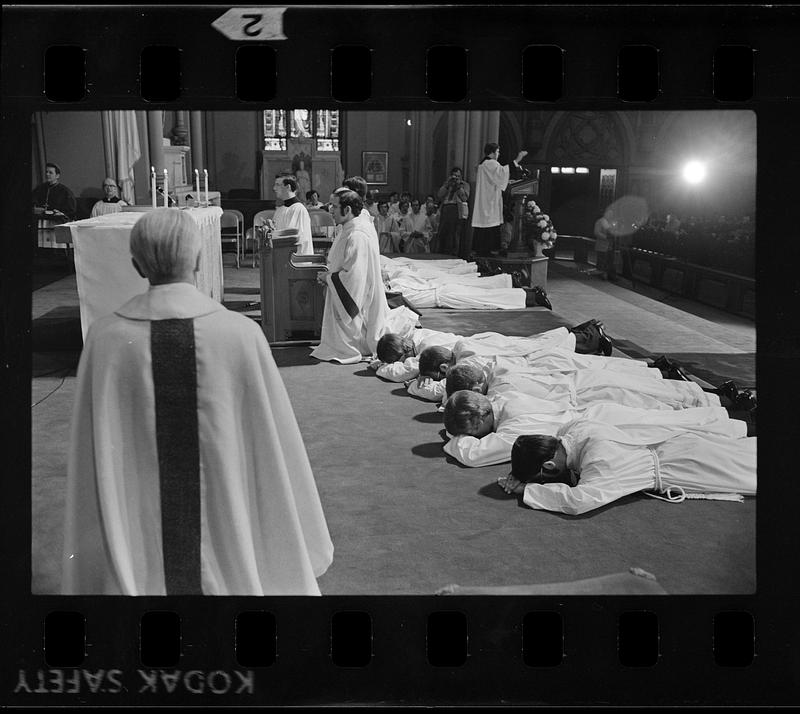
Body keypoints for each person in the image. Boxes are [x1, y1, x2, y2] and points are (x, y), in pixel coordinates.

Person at [61, 208, 334, 595]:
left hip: (136, 531)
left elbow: (96, 452)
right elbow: (270, 446)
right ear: (201, 260)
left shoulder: (105, 340)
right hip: (230, 518)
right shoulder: (241, 334)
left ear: (137, 265)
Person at [496, 411, 756, 515]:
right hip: (678, 442)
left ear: (549, 467)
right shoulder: (573, 427)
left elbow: (578, 501)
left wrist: (528, 489)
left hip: (684, 465)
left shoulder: (600, 463)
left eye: (543, 477)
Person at [443, 390, 747, 468]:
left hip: (594, 430)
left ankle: (736, 430)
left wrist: (454, 438)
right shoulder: (508, 400)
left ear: (479, 423)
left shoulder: (509, 434)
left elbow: (471, 456)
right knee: (667, 421)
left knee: (676, 433)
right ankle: (734, 421)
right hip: (597, 412)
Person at [311, 189, 389, 364]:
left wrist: (328, 278)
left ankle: (354, 345)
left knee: (349, 341)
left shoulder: (357, 235)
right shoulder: (348, 228)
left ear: (347, 210)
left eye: (335, 206)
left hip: (354, 298)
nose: (330, 209)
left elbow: (354, 277)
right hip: (339, 289)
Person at [471, 143, 527, 256]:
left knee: (486, 226)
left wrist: (507, 182)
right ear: (492, 152)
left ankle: (483, 251)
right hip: (489, 201)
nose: (499, 154)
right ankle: (487, 252)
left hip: (487, 198)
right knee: (489, 224)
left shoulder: (485, 164)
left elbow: (496, 179)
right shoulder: (490, 163)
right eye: (497, 152)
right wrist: (517, 160)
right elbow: (502, 172)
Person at [272, 175, 313, 254]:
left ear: (288, 187)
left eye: (277, 185)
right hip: (281, 255)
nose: (274, 188)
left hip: (295, 259)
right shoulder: (280, 210)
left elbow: (297, 238)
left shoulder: (299, 209)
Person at [437, 167, 470, 256]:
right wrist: (447, 185)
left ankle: (454, 253)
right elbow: (439, 195)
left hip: (457, 210)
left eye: (458, 176)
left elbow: (465, 198)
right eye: (454, 176)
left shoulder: (464, 185)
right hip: (446, 209)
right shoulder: (447, 184)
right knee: (443, 232)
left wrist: (459, 186)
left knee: (455, 234)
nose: (456, 178)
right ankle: (442, 252)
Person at [593, 207, 618, 281]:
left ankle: (611, 276)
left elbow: (614, 232)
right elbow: (596, 232)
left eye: (612, 214)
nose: (610, 215)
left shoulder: (611, 223)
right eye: (609, 214)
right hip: (602, 245)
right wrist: (606, 237)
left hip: (610, 245)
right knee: (602, 261)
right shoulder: (600, 221)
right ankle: (601, 275)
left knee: (610, 261)